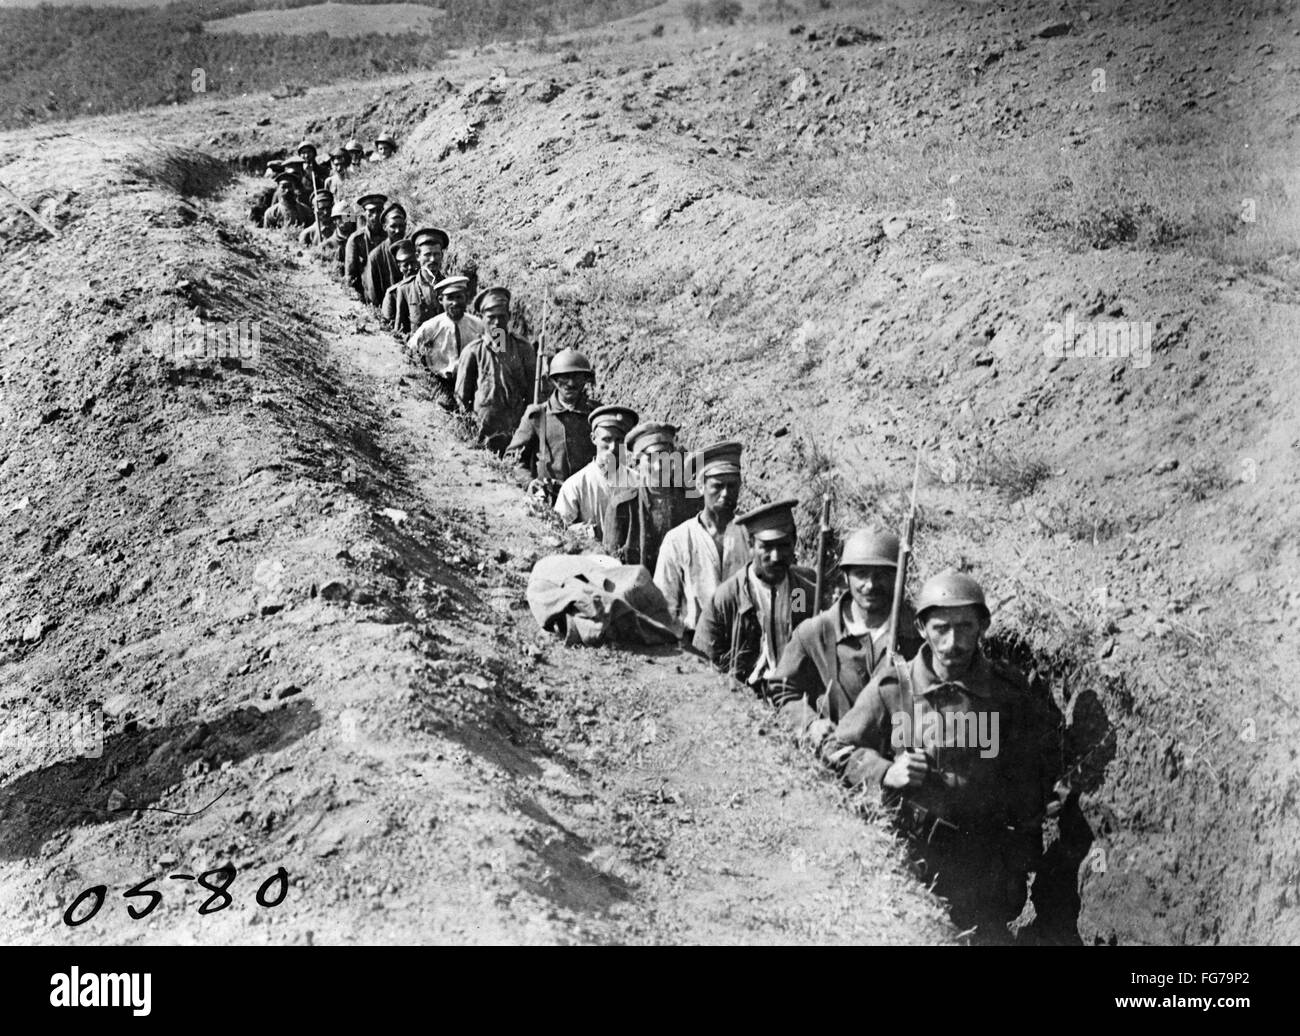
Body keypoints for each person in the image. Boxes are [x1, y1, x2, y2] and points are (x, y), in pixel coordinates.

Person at [822, 569, 1062, 943]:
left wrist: (1022, 850)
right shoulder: (894, 686)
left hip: (985, 864)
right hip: (913, 855)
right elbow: (837, 748)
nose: (954, 642)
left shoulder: (1007, 694)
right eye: (941, 628)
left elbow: (1030, 777)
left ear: (983, 625)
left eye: (966, 627)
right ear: (921, 628)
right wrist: (886, 771)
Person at [767, 528, 921, 735]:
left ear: (898, 577)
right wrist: (810, 723)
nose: (870, 585)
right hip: (831, 751)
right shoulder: (814, 633)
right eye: (861, 574)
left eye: (882, 575)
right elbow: (783, 690)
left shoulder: (919, 637)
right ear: (846, 577)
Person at [693, 499, 817, 694]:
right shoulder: (729, 598)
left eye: (783, 545)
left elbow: (805, 627)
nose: (776, 556)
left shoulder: (800, 590)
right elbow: (701, 663)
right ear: (751, 545)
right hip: (747, 697)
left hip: (795, 696)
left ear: (794, 543)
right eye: (766, 547)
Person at [653, 441, 749, 640]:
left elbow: (788, 588)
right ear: (700, 486)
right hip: (695, 643)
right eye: (717, 486)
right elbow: (663, 605)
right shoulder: (678, 540)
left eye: (732, 486)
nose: (725, 494)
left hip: (745, 641)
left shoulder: (752, 535)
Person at [602, 423, 702, 575]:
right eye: (650, 459)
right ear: (637, 464)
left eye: (664, 457)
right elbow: (610, 568)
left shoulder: (692, 502)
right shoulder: (622, 507)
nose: (658, 466)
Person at [505, 348, 598, 505]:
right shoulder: (537, 415)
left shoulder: (597, 415)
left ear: (585, 380)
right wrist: (529, 482)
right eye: (565, 377)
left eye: (577, 377)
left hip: (589, 499)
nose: (571, 383)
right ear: (554, 380)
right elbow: (511, 459)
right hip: (550, 499)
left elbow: (617, 452)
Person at [454, 287, 536, 454]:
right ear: (482, 319)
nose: (497, 323)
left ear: (509, 317)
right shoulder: (473, 352)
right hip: (484, 436)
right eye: (491, 318)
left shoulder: (523, 349)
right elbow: (462, 399)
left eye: (502, 317)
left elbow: (535, 392)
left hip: (517, 434)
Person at [554, 404, 638, 538]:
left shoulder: (638, 482)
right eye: (606, 439)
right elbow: (557, 529)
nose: (613, 447)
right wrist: (587, 532)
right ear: (593, 438)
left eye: (619, 440)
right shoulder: (575, 485)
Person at [408, 275, 483, 408]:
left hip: (472, 386)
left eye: (459, 297)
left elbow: (498, 345)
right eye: (450, 298)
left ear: (466, 298)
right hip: (441, 386)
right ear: (441, 300)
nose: (455, 303)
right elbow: (410, 351)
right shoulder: (430, 327)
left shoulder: (478, 325)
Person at [362, 200, 408, 308]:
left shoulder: (414, 252)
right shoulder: (375, 257)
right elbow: (374, 296)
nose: (398, 230)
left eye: (401, 226)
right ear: (385, 227)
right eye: (393, 226)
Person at [344, 193, 386, 301]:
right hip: (366, 294)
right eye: (371, 212)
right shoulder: (356, 240)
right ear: (365, 214)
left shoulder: (389, 236)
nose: (376, 216)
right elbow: (350, 275)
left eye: (379, 211)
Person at [380, 240, 420, 332]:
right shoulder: (392, 293)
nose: (410, 268)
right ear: (399, 267)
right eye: (405, 265)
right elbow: (387, 325)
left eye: (413, 263)